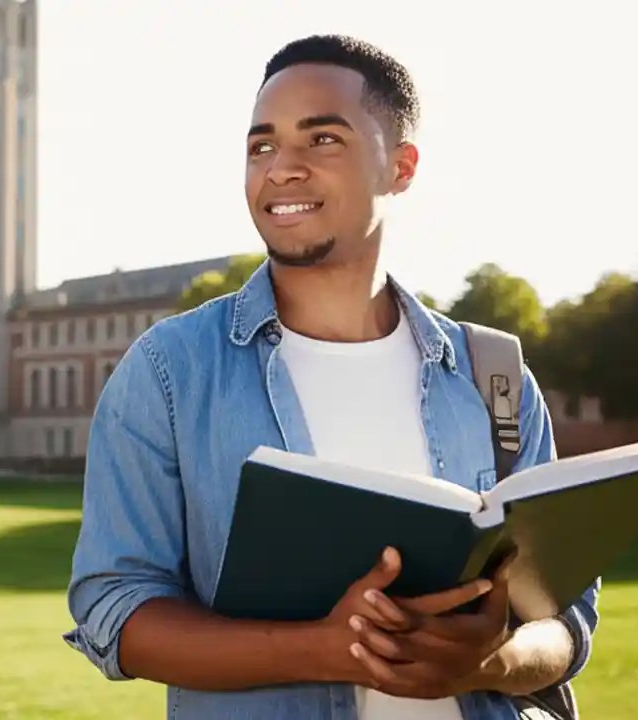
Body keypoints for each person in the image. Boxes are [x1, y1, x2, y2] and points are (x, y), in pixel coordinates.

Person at [63, 34, 599, 720]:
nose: (280, 168)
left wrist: (489, 660)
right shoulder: (171, 371)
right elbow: (116, 608)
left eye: (321, 140)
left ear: (400, 167)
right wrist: (318, 649)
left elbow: (565, 621)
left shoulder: (493, 374)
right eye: (261, 146)